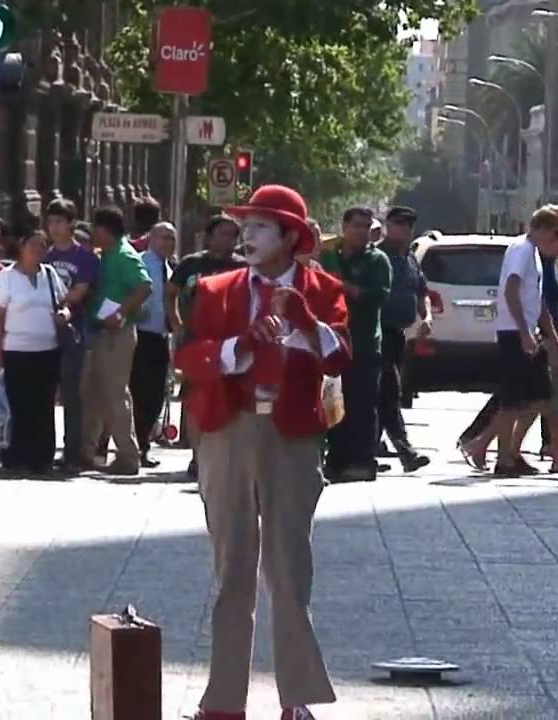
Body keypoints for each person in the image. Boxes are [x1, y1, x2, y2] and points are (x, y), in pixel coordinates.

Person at [176, 184, 346, 720]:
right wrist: (238, 348)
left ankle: (295, 701)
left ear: (290, 237)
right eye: (243, 227)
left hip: (292, 435)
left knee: (289, 569)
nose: (246, 236)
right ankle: (223, 702)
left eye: (260, 227)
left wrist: (308, 325)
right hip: (228, 430)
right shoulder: (215, 288)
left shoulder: (323, 288)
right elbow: (188, 356)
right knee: (233, 570)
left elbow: (341, 357)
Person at [466, 206, 558, 477]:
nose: (557, 237)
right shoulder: (521, 250)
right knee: (516, 399)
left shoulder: (534, 254)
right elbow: (511, 289)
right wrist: (523, 331)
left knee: (533, 397)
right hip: (513, 332)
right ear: (541, 228)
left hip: (527, 331)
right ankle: (499, 456)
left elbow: (537, 302)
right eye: (555, 231)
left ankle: (492, 448)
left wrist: (552, 337)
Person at [167, 214, 245, 479]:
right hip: (196, 339)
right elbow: (170, 292)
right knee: (194, 398)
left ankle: (226, 455)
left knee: (229, 396)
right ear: (209, 236)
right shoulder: (191, 264)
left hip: (231, 341)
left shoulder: (243, 266)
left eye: (233, 235)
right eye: (223, 233)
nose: (228, 240)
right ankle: (197, 457)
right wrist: (176, 322)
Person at [320, 207, 391, 482]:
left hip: (363, 345)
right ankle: (335, 460)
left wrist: (345, 288)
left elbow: (379, 296)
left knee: (362, 406)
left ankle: (362, 461)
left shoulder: (377, 260)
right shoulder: (329, 256)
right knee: (332, 403)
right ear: (344, 227)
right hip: (331, 343)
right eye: (356, 226)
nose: (361, 232)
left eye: (366, 226)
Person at [79, 206, 152, 476]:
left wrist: (121, 311)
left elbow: (145, 286)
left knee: (114, 394)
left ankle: (128, 456)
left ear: (105, 230)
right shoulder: (107, 255)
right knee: (93, 392)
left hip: (117, 334)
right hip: (100, 332)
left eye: (95, 228)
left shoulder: (123, 255)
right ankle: (86, 452)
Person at [0, 230, 68, 475]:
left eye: (42, 246)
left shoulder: (50, 275)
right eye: (33, 245)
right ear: (21, 247)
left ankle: (42, 457)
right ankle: (17, 457)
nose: (38, 250)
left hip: (47, 350)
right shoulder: (7, 277)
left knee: (44, 404)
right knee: (19, 404)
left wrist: (65, 315)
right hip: (16, 350)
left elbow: (63, 303)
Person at [42, 199, 99, 473]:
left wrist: (61, 305)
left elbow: (80, 290)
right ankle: (44, 448)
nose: (54, 227)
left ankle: (72, 451)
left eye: (60, 222)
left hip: (72, 331)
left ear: (71, 224)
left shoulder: (85, 258)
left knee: (71, 393)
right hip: (41, 332)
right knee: (44, 392)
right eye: (50, 221)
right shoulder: (44, 255)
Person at [376, 205, 431, 473]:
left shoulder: (409, 259)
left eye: (408, 225)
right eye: (398, 223)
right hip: (376, 334)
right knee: (388, 391)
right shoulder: (377, 255)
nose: (404, 229)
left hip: (398, 334)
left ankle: (371, 447)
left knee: (384, 393)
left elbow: (421, 291)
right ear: (388, 225)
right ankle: (406, 452)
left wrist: (426, 317)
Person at [131, 221, 176, 468]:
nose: (168, 243)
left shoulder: (171, 268)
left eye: (172, 238)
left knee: (155, 394)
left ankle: (144, 441)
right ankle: (137, 446)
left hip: (160, 336)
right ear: (151, 238)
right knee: (138, 391)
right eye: (163, 237)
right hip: (139, 335)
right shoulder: (139, 263)